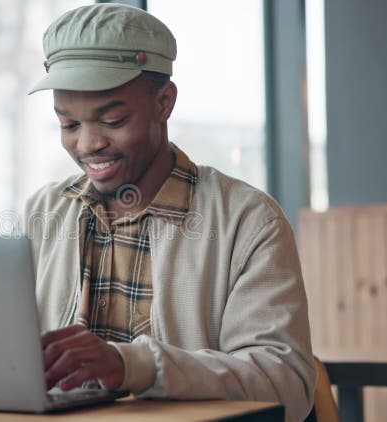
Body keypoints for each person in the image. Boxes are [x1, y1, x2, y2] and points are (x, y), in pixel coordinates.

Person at [24, 4, 316, 421]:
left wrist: (132, 366)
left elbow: (285, 382)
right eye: (69, 125)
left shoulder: (248, 220)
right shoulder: (44, 211)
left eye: (113, 119)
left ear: (164, 102)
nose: (88, 144)